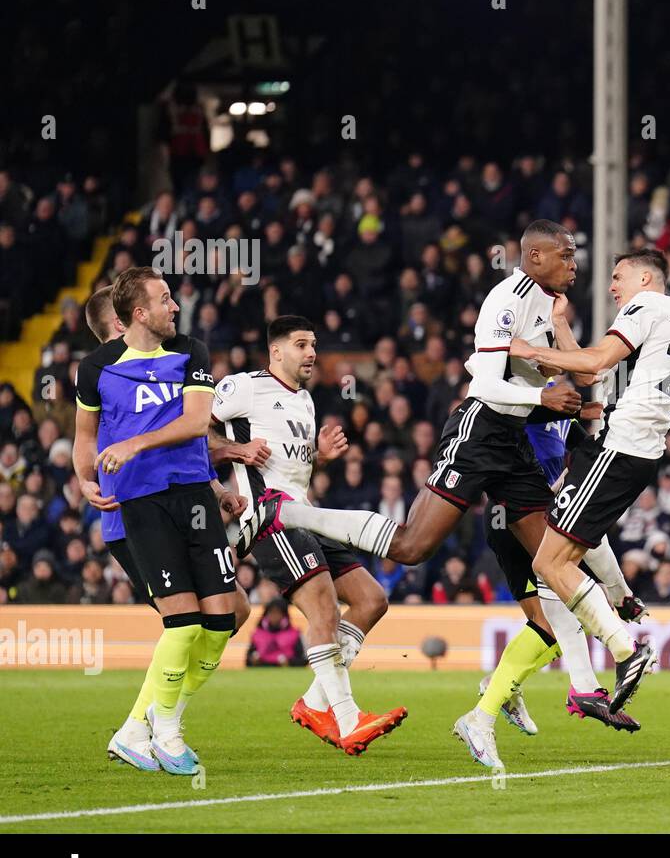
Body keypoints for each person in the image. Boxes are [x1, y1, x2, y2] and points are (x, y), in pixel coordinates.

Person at [242, 220, 586, 769]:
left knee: (553, 567)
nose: (575, 265)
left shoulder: (551, 307)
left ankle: (537, 688)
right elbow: (488, 384)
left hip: (516, 455)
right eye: (567, 255)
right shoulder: (507, 298)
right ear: (536, 255)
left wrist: (566, 359)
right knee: (407, 550)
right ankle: (345, 712)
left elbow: (580, 377)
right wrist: (547, 396)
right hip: (481, 438)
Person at [75, 268, 250, 775]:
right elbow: (86, 437)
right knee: (183, 622)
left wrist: (215, 487)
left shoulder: (191, 351)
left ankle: (143, 724)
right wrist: (86, 478)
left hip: (193, 494)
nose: (175, 306)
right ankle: (158, 726)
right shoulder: (96, 368)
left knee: (224, 618)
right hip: (140, 505)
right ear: (137, 313)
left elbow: (196, 425)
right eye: (166, 299)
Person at [210, 315, 406, 755]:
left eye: (314, 344)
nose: (312, 353)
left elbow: (293, 470)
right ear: (276, 351)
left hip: (303, 513)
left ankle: (315, 703)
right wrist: (232, 451)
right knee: (322, 607)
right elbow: (192, 434)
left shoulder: (304, 400)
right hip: (269, 517)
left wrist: (320, 457)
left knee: (372, 599)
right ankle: (349, 718)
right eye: (302, 344)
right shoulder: (243, 387)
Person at [507, 248, 670, 719]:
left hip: (619, 446)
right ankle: (622, 612)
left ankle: (626, 649)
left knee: (549, 561)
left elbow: (599, 356)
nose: (611, 286)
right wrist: (560, 326)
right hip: (627, 449)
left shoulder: (648, 306)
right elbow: (593, 370)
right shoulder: (664, 319)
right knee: (557, 559)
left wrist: (527, 350)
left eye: (618, 276)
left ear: (645, 277)